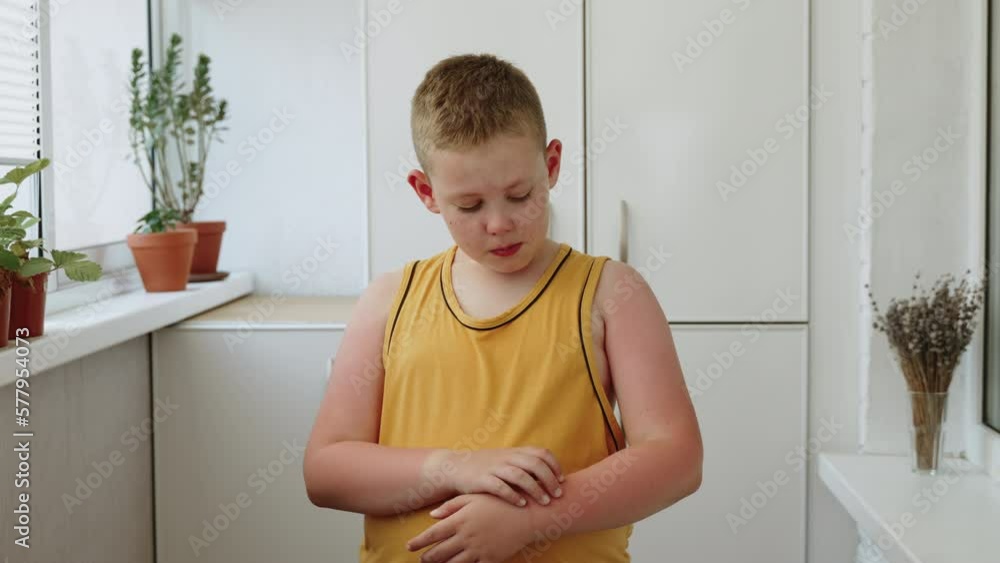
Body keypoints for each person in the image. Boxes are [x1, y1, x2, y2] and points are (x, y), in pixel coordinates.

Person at [304, 53, 703, 563]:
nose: (499, 224)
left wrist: (533, 520)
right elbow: (326, 470)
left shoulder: (612, 293)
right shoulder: (388, 300)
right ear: (426, 193)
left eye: (520, 195)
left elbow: (676, 458)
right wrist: (454, 468)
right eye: (469, 206)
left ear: (552, 165)